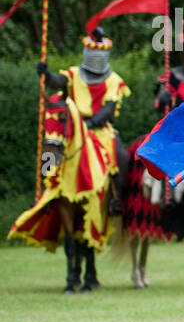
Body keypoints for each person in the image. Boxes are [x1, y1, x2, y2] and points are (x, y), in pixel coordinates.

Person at [10, 26, 131, 291]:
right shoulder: (74, 74)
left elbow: (109, 111)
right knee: (51, 152)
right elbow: (57, 83)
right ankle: (45, 191)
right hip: (71, 129)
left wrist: (91, 124)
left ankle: (116, 198)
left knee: (120, 156)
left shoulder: (114, 80)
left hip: (99, 133)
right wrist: (45, 73)